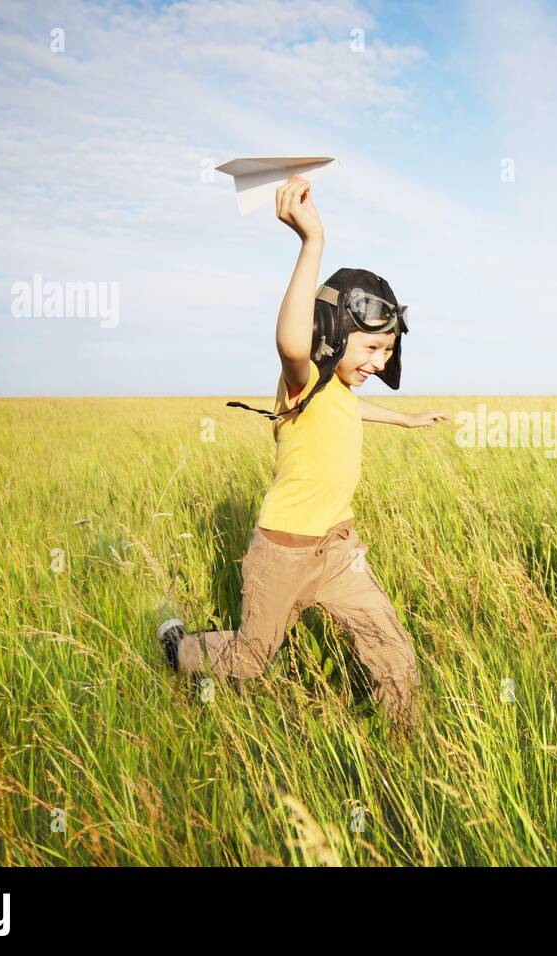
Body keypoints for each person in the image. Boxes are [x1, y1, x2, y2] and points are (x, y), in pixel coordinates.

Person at [156, 173, 448, 738]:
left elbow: (353, 413)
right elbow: (291, 340)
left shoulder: (339, 395)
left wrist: (409, 419)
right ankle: (177, 650)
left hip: (337, 547)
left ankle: (405, 749)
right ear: (335, 334)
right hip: (283, 553)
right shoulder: (302, 380)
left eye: (387, 350)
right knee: (249, 659)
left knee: (395, 655)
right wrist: (311, 242)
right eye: (369, 348)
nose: (377, 361)